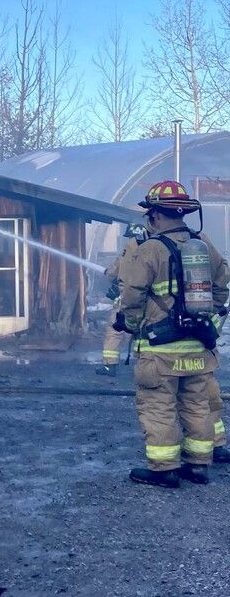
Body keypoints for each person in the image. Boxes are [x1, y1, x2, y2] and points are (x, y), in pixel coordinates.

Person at [118, 180, 230, 487]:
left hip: (160, 349)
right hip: (198, 346)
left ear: (154, 215)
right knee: (197, 405)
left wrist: (129, 323)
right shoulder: (203, 243)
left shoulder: (150, 249)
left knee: (158, 406)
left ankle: (164, 469)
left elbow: (132, 295)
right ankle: (198, 466)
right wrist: (208, 312)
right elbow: (222, 283)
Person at [96, 224, 148, 376]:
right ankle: (147, 364)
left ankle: (109, 366)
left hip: (125, 299)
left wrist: (108, 272)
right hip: (147, 300)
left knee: (114, 331)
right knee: (144, 331)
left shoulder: (129, 250)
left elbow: (114, 272)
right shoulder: (154, 250)